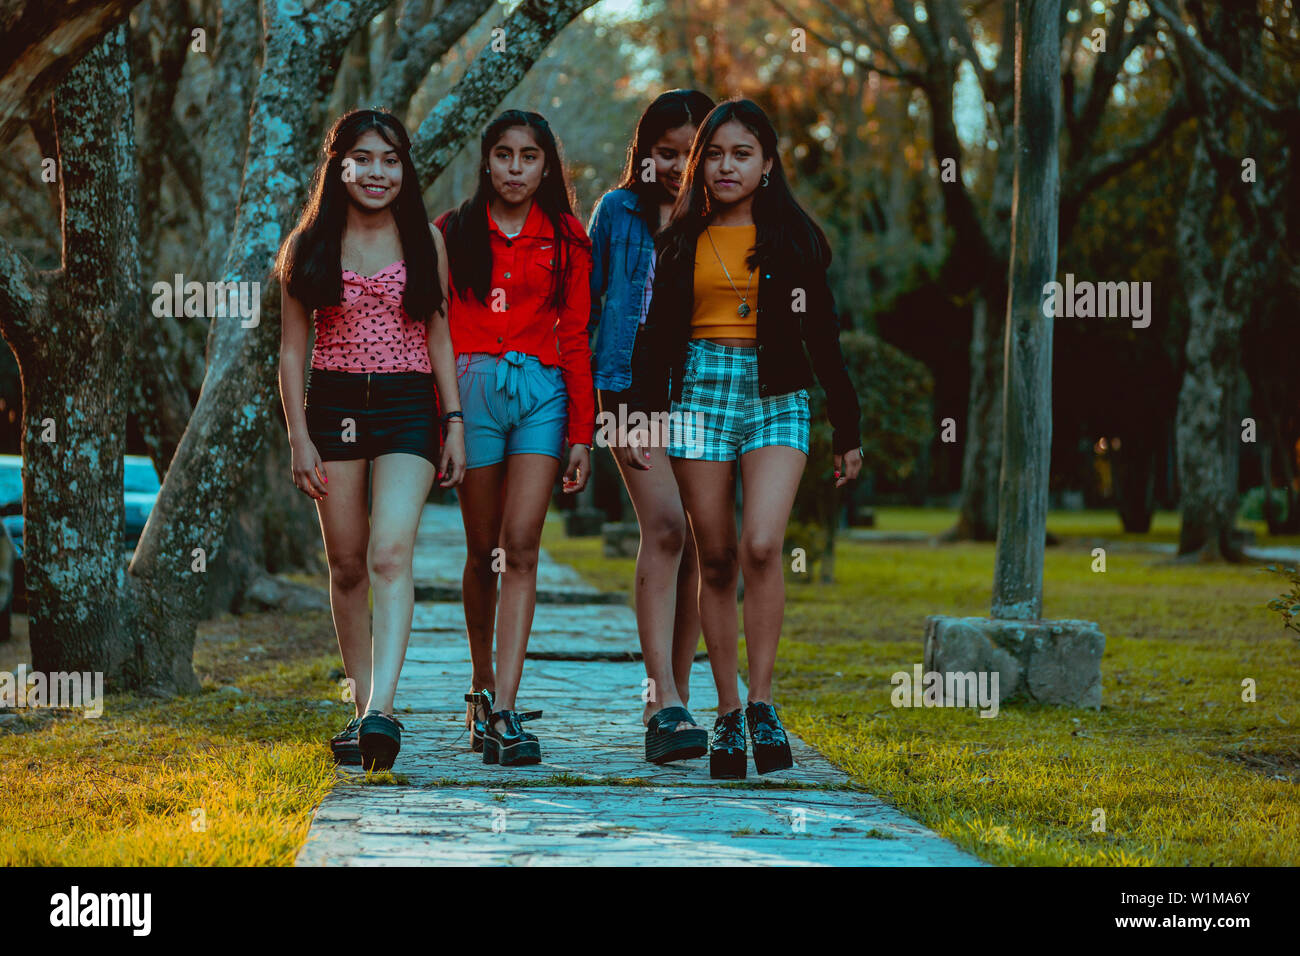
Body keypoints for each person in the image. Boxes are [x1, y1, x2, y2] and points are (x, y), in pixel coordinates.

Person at [628, 98, 864, 779]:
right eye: (717, 154)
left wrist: (847, 428)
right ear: (701, 164)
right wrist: (643, 412)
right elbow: (655, 339)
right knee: (719, 555)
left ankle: (764, 702)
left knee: (763, 544)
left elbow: (824, 338)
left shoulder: (795, 238)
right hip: (701, 393)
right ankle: (728, 713)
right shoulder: (679, 240)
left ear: (768, 164)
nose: (728, 166)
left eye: (743, 154)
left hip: (777, 399)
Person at [276, 108, 465, 772]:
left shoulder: (425, 240)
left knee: (389, 553)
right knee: (349, 565)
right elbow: (292, 350)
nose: (378, 172)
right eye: (364, 159)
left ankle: (384, 707)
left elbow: (440, 334)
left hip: (408, 404)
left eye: (392, 159)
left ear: (404, 168)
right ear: (340, 166)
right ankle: (360, 709)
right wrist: (299, 436)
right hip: (332, 407)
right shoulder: (307, 246)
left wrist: (455, 421)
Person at [434, 110, 594, 767]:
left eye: (529, 157)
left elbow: (577, 336)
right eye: (504, 155)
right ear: (486, 161)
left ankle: (506, 706)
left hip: (542, 396)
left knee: (521, 544)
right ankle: (478, 684)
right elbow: (434, 330)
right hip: (472, 393)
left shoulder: (568, 238)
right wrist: (445, 419)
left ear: (547, 165)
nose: (516, 169)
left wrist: (583, 431)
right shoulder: (452, 231)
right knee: (483, 551)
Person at [587, 89, 716, 765]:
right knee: (665, 525)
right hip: (628, 390)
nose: (677, 165)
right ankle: (658, 695)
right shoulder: (616, 213)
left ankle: (679, 699)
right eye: (666, 151)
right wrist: (594, 411)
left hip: (704, 394)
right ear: (645, 152)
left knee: (701, 543)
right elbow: (584, 305)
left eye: (690, 151)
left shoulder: (723, 218)